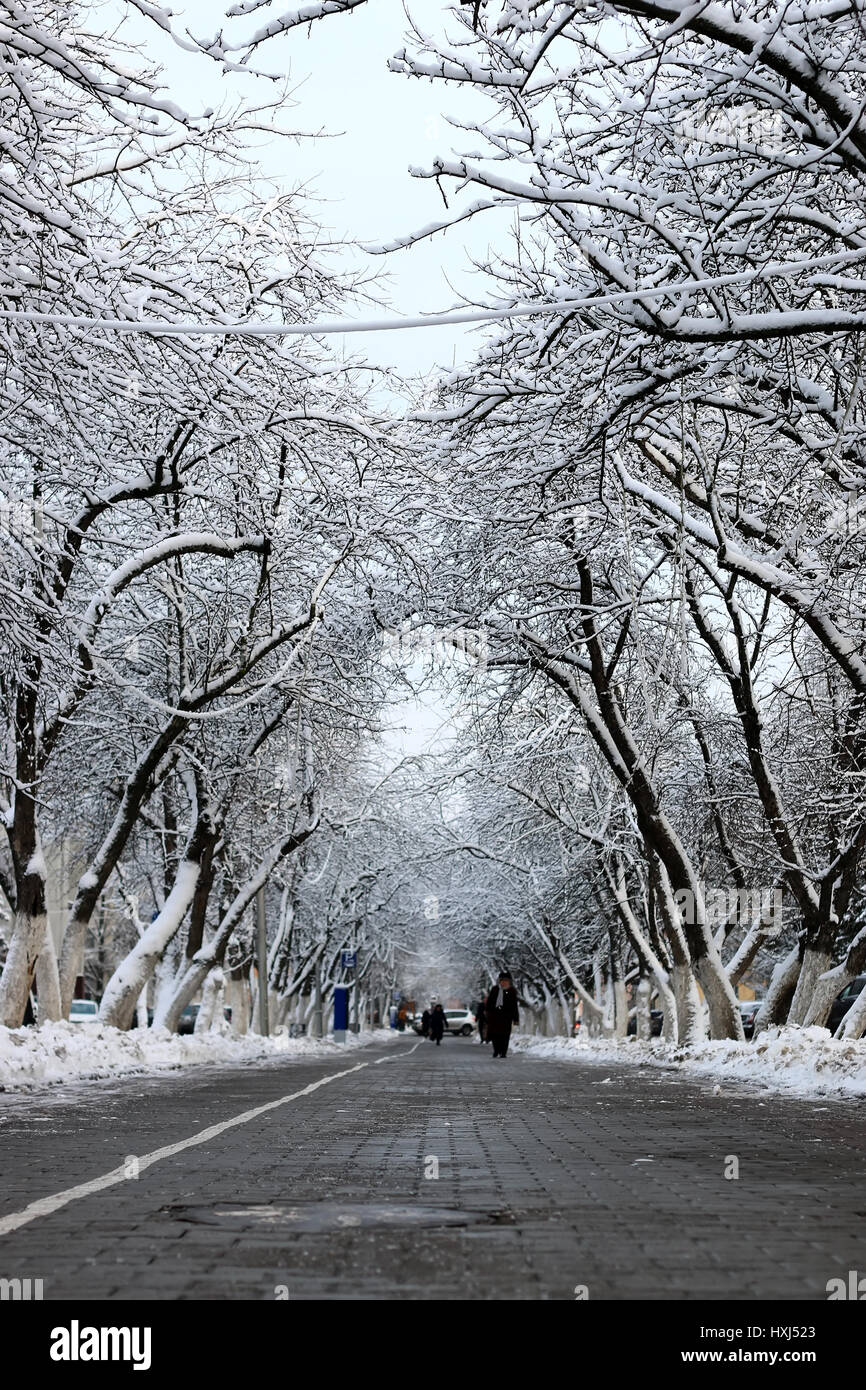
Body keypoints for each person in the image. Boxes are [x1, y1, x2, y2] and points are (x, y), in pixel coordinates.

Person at [485, 971, 519, 1058]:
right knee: (495, 1035)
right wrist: (488, 1013)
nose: (504, 982)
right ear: (499, 981)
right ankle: (496, 1050)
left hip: (506, 1018)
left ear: (509, 981)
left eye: (506, 980)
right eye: (502, 980)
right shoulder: (495, 989)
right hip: (494, 1017)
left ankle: (503, 1052)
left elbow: (514, 1005)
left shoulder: (512, 991)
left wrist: (516, 1019)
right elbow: (489, 1003)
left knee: (505, 1035)